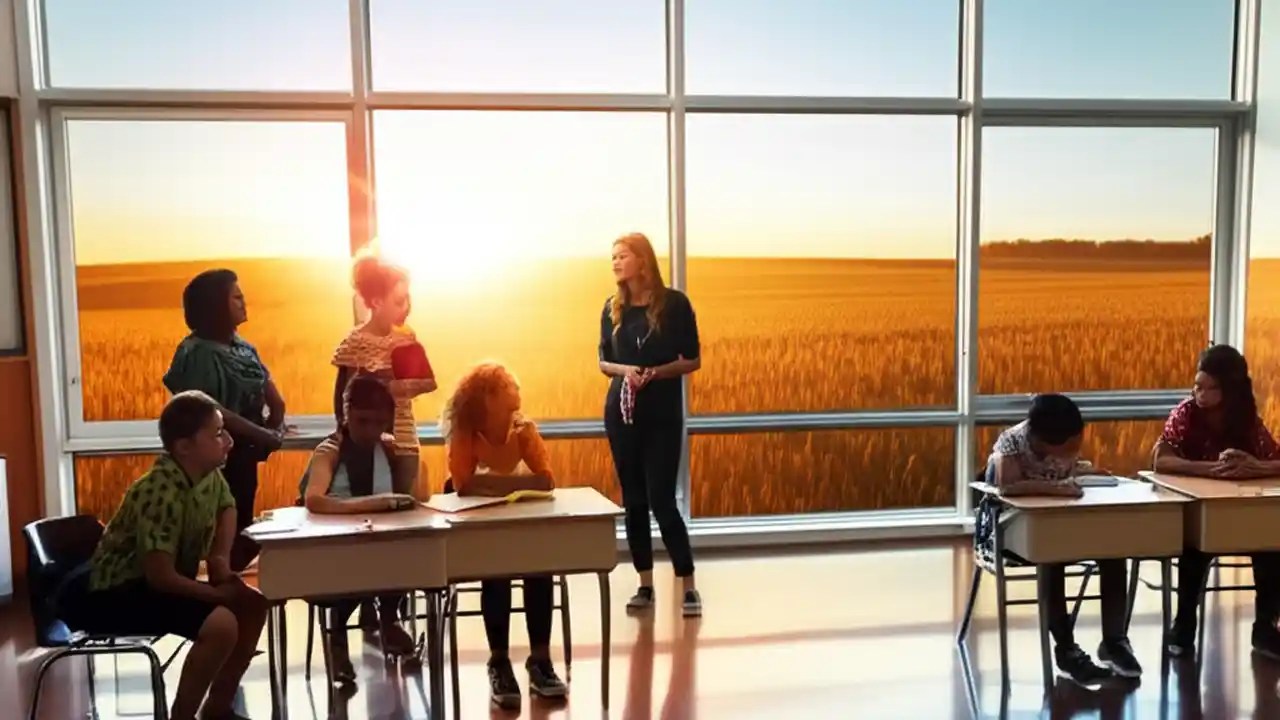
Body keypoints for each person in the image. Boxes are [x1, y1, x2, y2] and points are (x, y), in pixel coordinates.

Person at [63, 391, 270, 720]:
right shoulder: (160, 491)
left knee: (254, 605)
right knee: (222, 626)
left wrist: (218, 560)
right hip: (111, 591)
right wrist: (216, 593)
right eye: (217, 433)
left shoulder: (209, 475)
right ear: (184, 447)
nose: (229, 440)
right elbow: (160, 576)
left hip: (151, 584)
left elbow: (227, 507)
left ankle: (217, 708)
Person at [987, 393, 1141, 684]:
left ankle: (1114, 641)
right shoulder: (1011, 442)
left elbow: (1071, 470)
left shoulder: (1064, 443)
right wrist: (1057, 490)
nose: (1074, 449)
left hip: (1063, 522)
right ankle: (1066, 648)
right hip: (1020, 531)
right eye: (1068, 446)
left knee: (1114, 551)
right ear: (1044, 440)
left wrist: (1092, 474)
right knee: (1052, 556)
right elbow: (1007, 486)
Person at [441, 363, 567, 710]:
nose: (517, 390)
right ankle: (499, 663)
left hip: (527, 522)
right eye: (509, 385)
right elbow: (463, 486)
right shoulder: (466, 432)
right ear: (489, 396)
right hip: (484, 529)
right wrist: (516, 484)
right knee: (496, 574)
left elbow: (546, 480)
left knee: (539, 569)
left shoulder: (525, 429)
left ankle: (539, 662)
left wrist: (493, 485)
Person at [597, 232, 702, 617]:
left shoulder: (675, 304)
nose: (615, 262)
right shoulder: (612, 307)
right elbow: (604, 363)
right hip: (621, 414)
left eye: (622, 255)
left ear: (643, 261)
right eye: (613, 256)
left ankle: (688, 584)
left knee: (661, 499)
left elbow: (691, 359)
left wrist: (654, 374)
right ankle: (645, 585)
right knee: (634, 500)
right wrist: (631, 371)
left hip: (661, 414)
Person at [1153, 343, 1280, 660]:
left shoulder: (1247, 418)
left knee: (1272, 546)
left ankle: (1265, 629)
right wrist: (1212, 469)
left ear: (1231, 390)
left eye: (1211, 388)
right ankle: (1183, 627)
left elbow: (1274, 459)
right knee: (1195, 549)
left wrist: (1254, 466)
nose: (1201, 394)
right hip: (1197, 510)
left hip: (1240, 511)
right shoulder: (1186, 413)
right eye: (1197, 385)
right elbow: (1161, 460)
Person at [332, 250, 436, 628]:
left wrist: (393, 384)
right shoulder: (353, 344)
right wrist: (348, 441)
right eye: (397, 299)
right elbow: (340, 397)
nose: (404, 306)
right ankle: (362, 600)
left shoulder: (406, 340)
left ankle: (391, 610)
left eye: (407, 298)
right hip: (364, 441)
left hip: (404, 439)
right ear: (375, 301)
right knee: (366, 523)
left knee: (400, 522)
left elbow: (427, 381)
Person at [164, 269, 287, 572]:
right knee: (218, 530)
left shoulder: (243, 347)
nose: (243, 301)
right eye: (235, 296)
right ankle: (218, 596)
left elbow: (274, 397)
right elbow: (210, 409)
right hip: (212, 457)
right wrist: (261, 432)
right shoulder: (196, 353)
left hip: (244, 453)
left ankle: (228, 589)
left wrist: (272, 429)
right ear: (215, 305)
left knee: (241, 523)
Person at [299, 375, 420, 680]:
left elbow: (417, 497)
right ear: (346, 413)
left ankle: (390, 619)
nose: (371, 431)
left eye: (380, 423)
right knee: (354, 573)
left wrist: (409, 451)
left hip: (378, 544)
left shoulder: (388, 450)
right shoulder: (329, 451)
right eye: (363, 421)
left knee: (404, 554)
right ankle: (337, 635)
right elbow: (314, 500)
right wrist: (376, 504)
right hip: (333, 550)